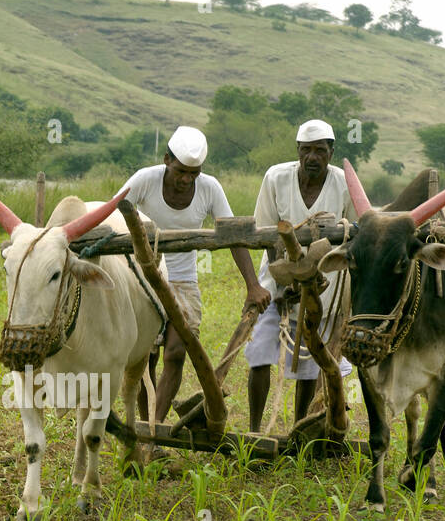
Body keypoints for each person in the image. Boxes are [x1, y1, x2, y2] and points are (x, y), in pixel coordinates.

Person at [119, 126, 270, 426]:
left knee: (175, 353)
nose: (186, 179)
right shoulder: (144, 180)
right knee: (145, 361)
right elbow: (112, 213)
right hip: (143, 280)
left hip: (183, 282)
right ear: (166, 160)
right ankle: (148, 427)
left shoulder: (210, 188)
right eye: (180, 171)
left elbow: (233, 235)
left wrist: (253, 285)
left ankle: (154, 430)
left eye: (194, 173)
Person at [245, 119, 355, 432]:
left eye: (319, 150)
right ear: (298, 151)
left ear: (331, 153)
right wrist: (285, 278)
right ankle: (254, 430)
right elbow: (265, 233)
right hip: (277, 288)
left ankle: (300, 429)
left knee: (310, 363)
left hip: (325, 289)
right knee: (260, 355)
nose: (312, 157)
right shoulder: (276, 178)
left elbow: (356, 232)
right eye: (306, 150)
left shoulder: (345, 183)